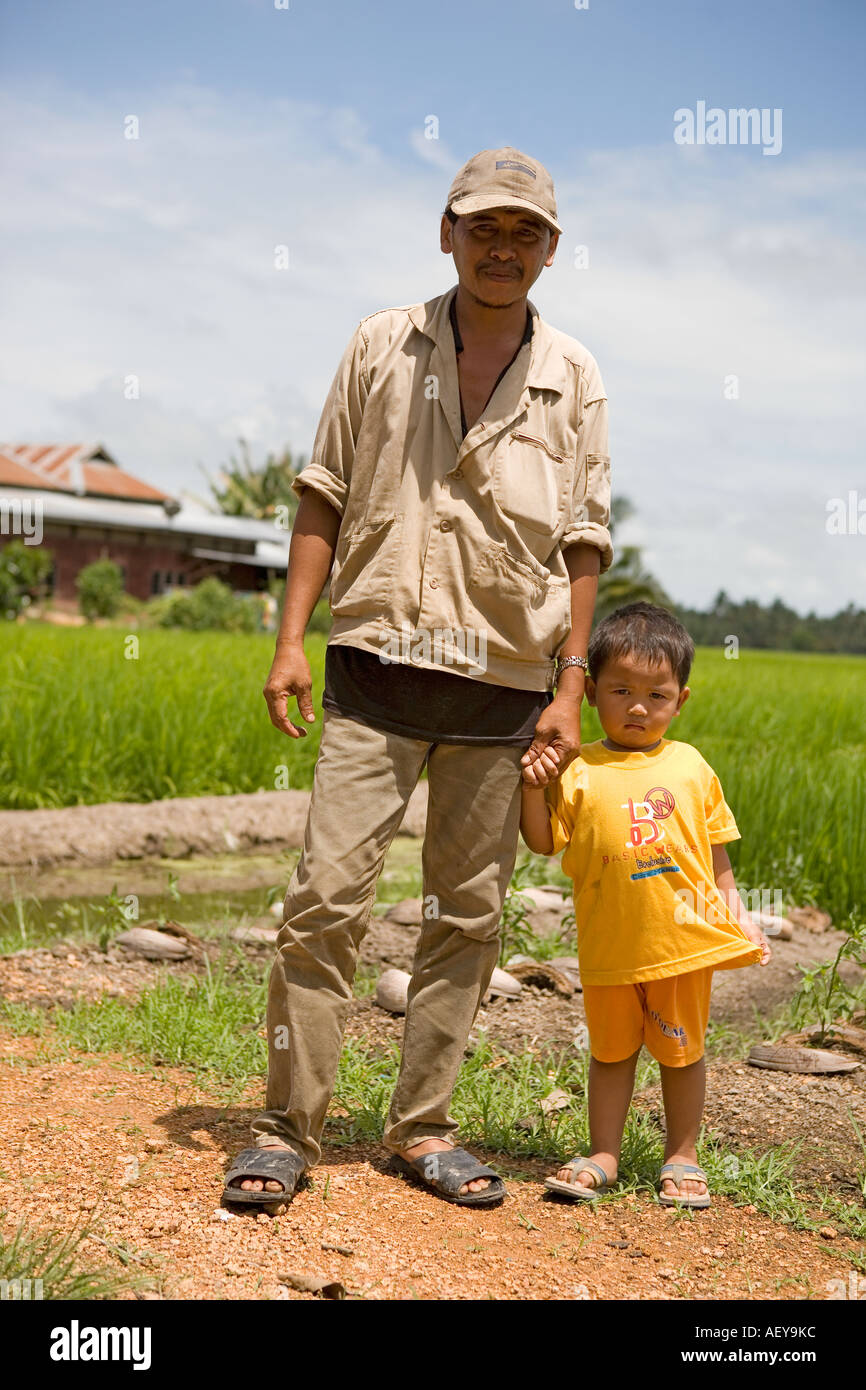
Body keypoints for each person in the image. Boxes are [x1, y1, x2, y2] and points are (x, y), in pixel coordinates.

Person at [223, 147, 613, 1209]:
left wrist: (570, 684)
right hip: (373, 668)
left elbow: (583, 539)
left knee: (465, 916)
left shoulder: (571, 374)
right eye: (482, 227)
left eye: (523, 233)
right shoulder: (377, 344)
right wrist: (288, 639)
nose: (501, 248)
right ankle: (283, 1127)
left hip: (502, 683)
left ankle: (422, 1127)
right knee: (322, 906)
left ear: (549, 249)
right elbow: (322, 496)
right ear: (445, 232)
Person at [519, 602, 770, 1208]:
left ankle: (681, 1155)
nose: (637, 707)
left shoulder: (690, 766)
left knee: (682, 1054)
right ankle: (603, 1151)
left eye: (656, 695)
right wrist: (531, 787)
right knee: (609, 1053)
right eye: (621, 690)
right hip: (608, 950)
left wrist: (738, 914)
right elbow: (541, 840)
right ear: (590, 694)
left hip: (680, 946)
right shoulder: (577, 769)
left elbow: (716, 856)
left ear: (680, 701)